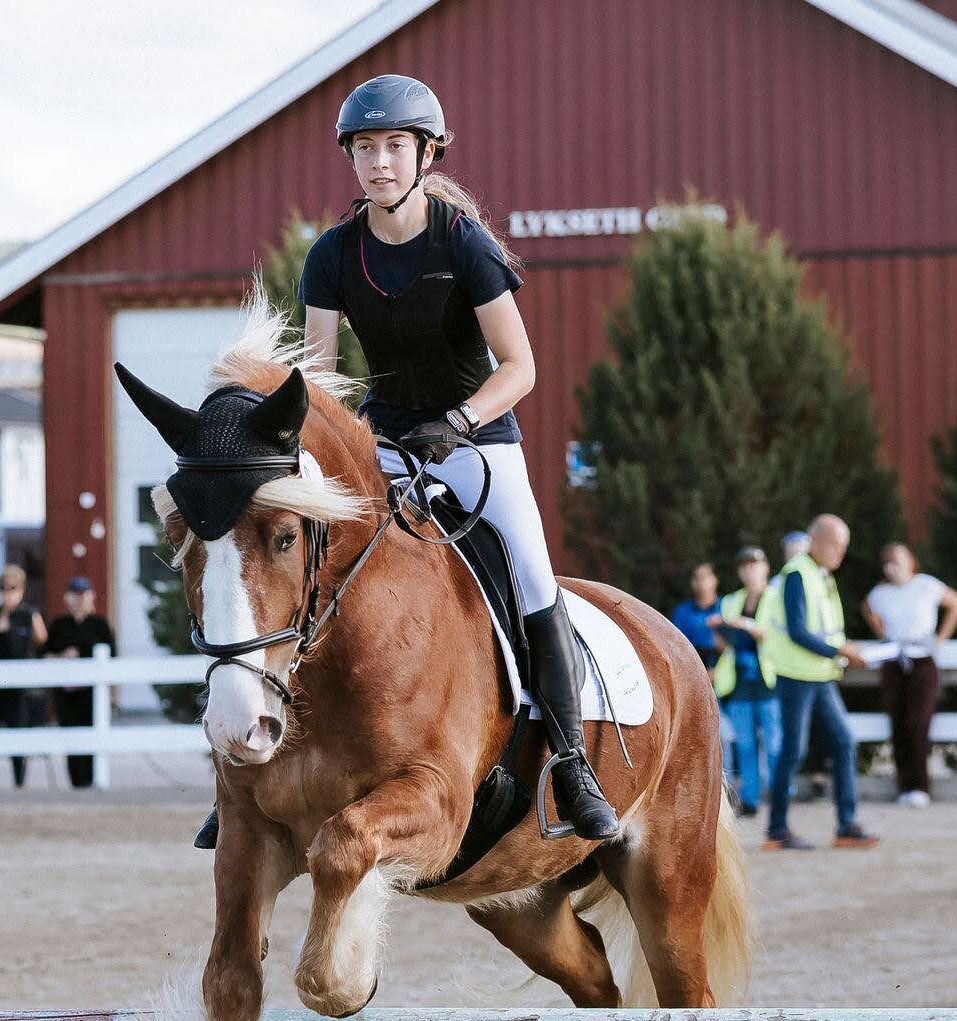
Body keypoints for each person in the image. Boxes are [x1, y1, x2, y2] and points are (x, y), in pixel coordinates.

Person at [290, 72, 615, 844]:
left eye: (394, 147)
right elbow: (319, 376)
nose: (378, 163)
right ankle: (274, 750)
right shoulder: (332, 256)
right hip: (385, 450)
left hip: (476, 445)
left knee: (532, 573)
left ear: (426, 153)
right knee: (304, 560)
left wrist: (459, 419)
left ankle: (571, 761)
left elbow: (521, 368)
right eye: (364, 148)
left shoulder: (463, 244)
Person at [762, 514, 876, 851]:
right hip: (797, 676)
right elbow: (797, 631)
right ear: (816, 542)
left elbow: (824, 629)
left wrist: (842, 651)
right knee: (793, 751)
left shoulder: (820, 574)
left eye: (844, 546)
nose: (840, 552)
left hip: (820, 675)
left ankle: (846, 826)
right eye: (835, 545)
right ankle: (777, 831)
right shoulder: (798, 573)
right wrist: (839, 651)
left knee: (844, 742)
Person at [862, 544, 957, 807]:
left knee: (918, 721)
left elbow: (956, 603)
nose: (892, 566)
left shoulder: (924, 585)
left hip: (921, 658)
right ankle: (903, 785)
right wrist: (882, 634)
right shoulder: (881, 593)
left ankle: (920, 785)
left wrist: (940, 638)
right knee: (897, 721)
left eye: (897, 560)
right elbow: (867, 608)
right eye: (888, 562)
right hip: (894, 658)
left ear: (911, 562)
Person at [713, 547, 779, 817]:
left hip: (768, 677)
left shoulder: (776, 598)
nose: (750, 570)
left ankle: (779, 794)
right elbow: (722, 643)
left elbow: (774, 635)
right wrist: (722, 628)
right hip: (739, 679)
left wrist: (745, 625)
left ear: (765, 568)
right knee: (746, 743)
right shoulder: (731, 600)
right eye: (745, 566)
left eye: (755, 565)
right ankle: (751, 798)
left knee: (774, 742)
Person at [0, 564, 46, 789]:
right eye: (3, 588)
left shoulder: (28, 616)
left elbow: (34, 648)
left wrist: (13, 629)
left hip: (18, 691)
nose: (7, 593)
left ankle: (19, 783)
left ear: (21, 589)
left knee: (19, 737)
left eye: (12, 588)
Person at [46, 575, 117, 788]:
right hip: (66, 694)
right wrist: (63, 657)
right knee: (71, 737)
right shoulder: (59, 625)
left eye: (83, 595)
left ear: (91, 597)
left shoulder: (100, 625)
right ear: (67, 598)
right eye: (75, 595)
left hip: (92, 693)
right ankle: (76, 783)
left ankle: (93, 780)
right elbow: (45, 655)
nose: (79, 599)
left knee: (92, 735)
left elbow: (112, 657)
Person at [670, 562, 722, 672]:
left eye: (704, 577)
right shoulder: (682, 611)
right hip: (691, 671)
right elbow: (675, 647)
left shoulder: (727, 607)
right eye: (695, 577)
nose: (700, 582)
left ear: (715, 580)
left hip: (724, 673)